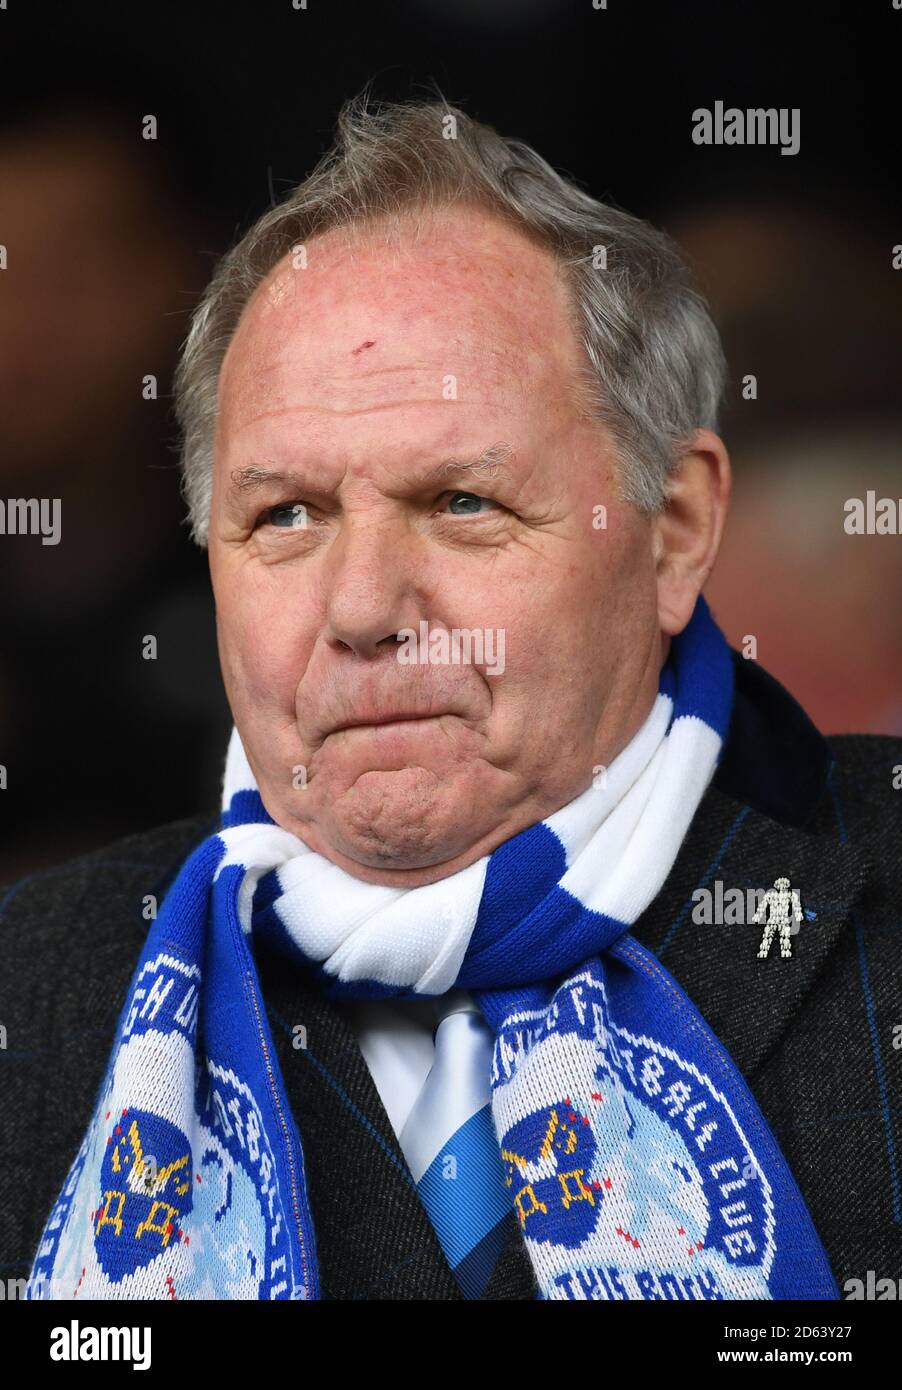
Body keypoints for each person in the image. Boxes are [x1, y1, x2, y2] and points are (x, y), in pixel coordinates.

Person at [3, 93, 899, 1302]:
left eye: (462, 503)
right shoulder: (31, 994)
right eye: (286, 515)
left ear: (673, 531)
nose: (364, 606)